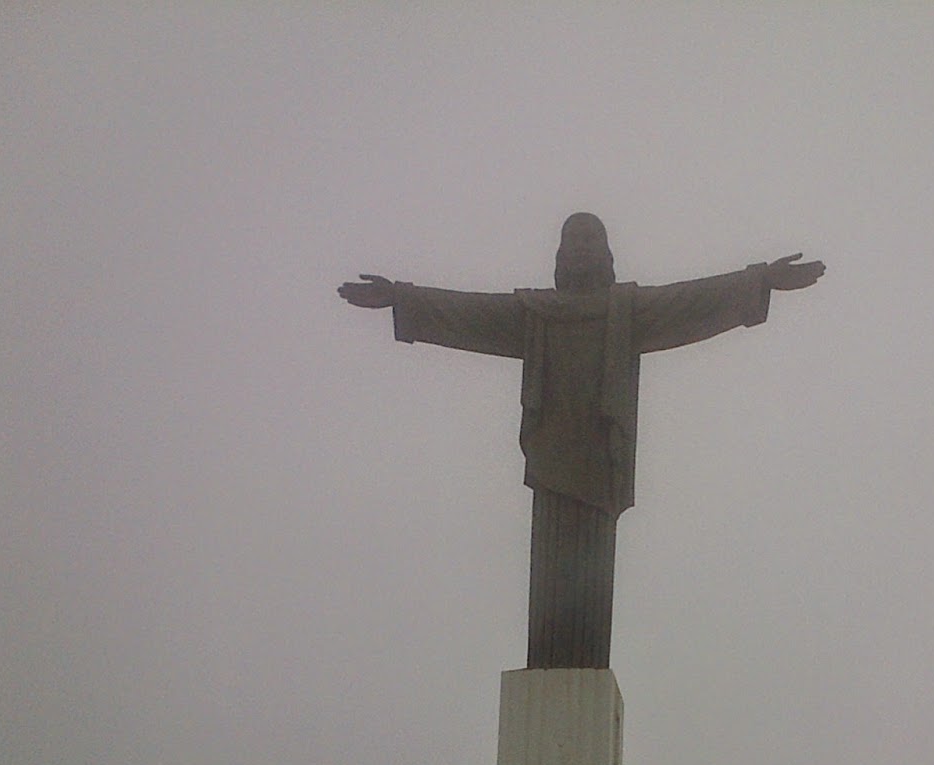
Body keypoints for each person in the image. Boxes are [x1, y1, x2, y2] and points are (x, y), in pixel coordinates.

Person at [340, 213, 823, 668]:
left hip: (599, 457)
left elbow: (691, 302)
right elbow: (470, 314)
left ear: (608, 254)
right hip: (550, 456)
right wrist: (402, 298)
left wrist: (760, 281)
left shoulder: (626, 310)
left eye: (592, 239)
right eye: (573, 240)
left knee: (592, 580)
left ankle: (582, 669)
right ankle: (549, 665)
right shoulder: (536, 312)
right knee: (549, 571)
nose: (582, 248)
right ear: (559, 255)